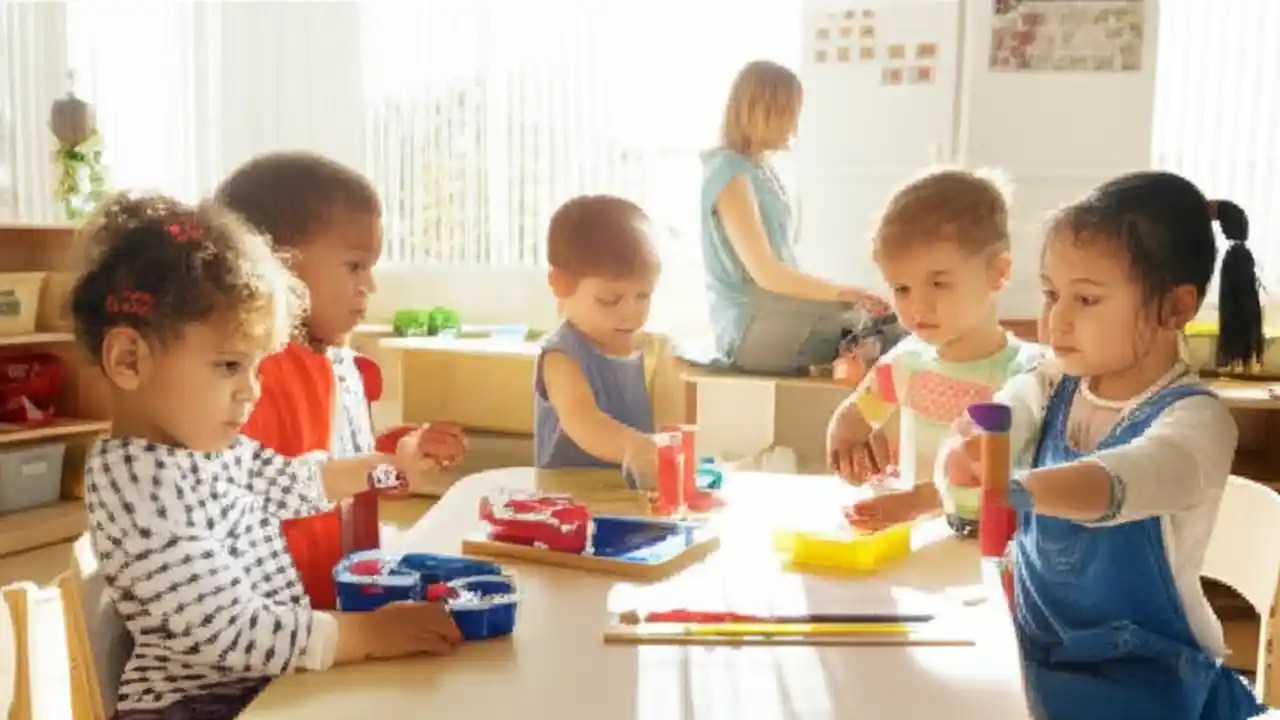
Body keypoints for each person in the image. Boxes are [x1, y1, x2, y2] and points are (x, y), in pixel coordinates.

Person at [71, 194, 462, 718]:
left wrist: (395, 467)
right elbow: (232, 631)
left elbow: (297, 481)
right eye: (229, 365)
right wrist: (366, 634)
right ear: (128, 359)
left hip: (256, 683)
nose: (251, 391)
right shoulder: (142, 488)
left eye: (256, 368)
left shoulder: (204, 450)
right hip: (197, 705)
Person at [942, 172, 1267, 719]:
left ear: (1176, 307)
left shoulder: (1196, 419)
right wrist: (976, 447)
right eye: (1051, 294)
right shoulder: (1052, 382)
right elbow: (1013, 408)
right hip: (1039, 655)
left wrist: (1017, 488)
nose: (1057, 319)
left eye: (1087, 299)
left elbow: (1131, 477)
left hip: (1148, 684)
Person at [216, 152, 466, 469]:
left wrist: (403, 452)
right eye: (355, 267)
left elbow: (348, 466)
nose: (370, 286)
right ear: (280, 265)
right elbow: (285, 493)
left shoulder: (336, 361)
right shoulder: (256, 380)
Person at [825, 168, 1042, 532]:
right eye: (902, 288)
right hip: (917, 544)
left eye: (939, 283)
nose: (918, 306)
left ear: (997, 273)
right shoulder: (905, 363)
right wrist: (846, 441)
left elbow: (1008, 478)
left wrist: (920, 502)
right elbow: (856, 417)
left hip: (987, 552)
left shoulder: (1024, 373)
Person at [700, 59, 901, 375]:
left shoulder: (760, 171)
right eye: (788, 115)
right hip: (752, 325)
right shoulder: (729, 174)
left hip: (775, 311)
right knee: (888, 335)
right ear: (763, 112)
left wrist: (846, 297)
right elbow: (767, 274)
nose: (793, 127)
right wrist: (845, 294)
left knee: (887, 326)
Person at [535, 195, 660, 483]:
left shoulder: (647, 350)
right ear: (560, 284)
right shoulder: (562, 356)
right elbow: (584, 422)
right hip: (569, 503)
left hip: (628, 500)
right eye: (609, 300)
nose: (631, 313)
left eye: (643, 296)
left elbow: (670, 424)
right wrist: (635, 447)